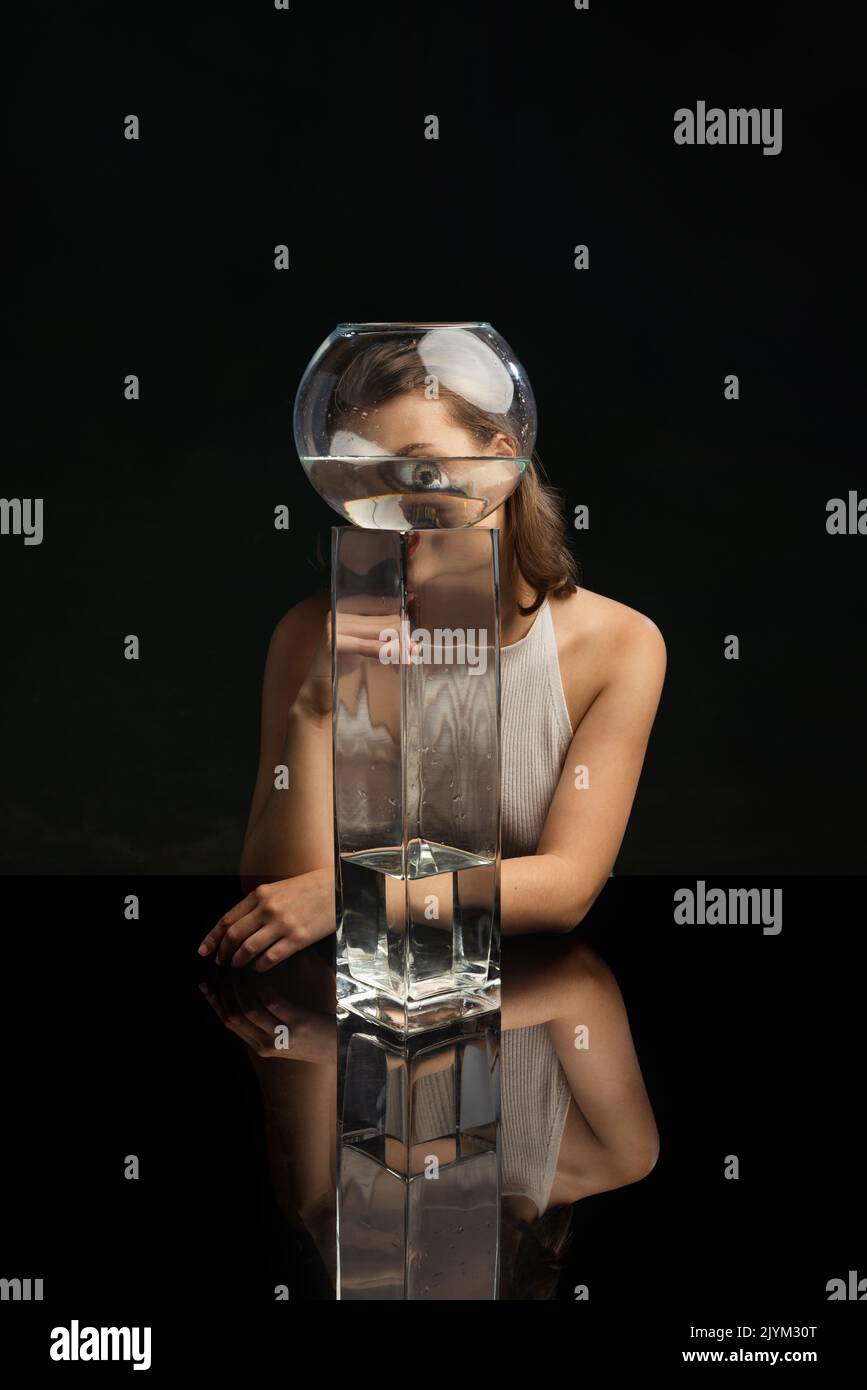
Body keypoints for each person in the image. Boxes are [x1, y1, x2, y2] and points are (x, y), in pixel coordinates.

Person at [197, 338, 665, 1267]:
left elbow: (568, 889)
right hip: (344, 1005)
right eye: (362, 477)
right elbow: (278, 893)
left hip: (524, 989)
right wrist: (318, 703)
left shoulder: (617, 644)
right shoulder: (314, 631)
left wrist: (354, 896)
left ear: (501, 451)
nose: (392, 505)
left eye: (421, 468)